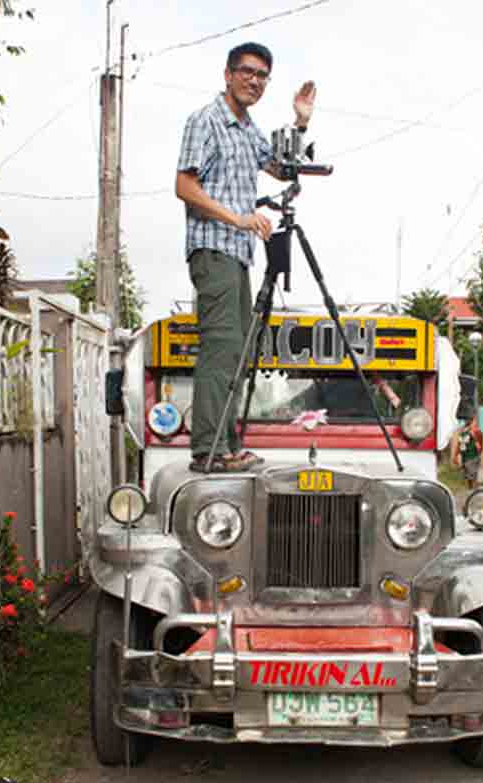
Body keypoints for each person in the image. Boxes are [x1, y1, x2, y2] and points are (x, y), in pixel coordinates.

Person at [175, 41, 316, 473]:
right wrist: (237, 218)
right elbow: (184, 186)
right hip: (213, 248)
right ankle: (208, 450)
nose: (254, 81)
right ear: (228, 74)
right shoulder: (206, 121)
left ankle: (228, 445)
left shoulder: (248, 127)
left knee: (236, 349)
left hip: (237, 254)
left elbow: (277, 167)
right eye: (247, 72)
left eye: (262, 76)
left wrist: (300, 122)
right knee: (221, 347)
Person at [452, 415, 483, 488]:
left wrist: (478, 450)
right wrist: (455, 456)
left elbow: (480, 445)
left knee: (473, 475)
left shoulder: (476, 431)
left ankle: (476, 490)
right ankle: (471, 490)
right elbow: (459, 444)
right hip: (465, 457)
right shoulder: (463, 433)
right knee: (468, 476)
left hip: (473, 457)